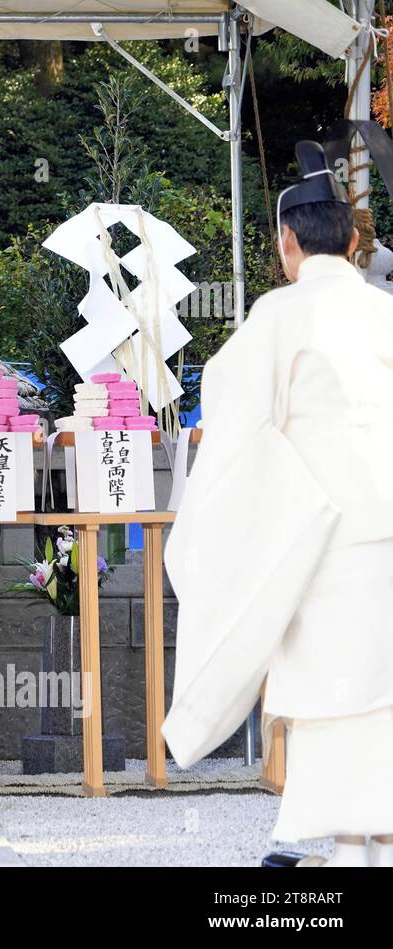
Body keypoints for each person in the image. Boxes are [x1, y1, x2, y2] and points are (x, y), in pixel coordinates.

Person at [163, 141, 393, 866]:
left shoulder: (277, 314)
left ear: (287, 244)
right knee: (377, 694)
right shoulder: (386, 314)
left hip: (319, 534)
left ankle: (318, 839)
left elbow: (236, 426)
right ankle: (361, 838)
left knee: (331, 691)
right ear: (354, 244)